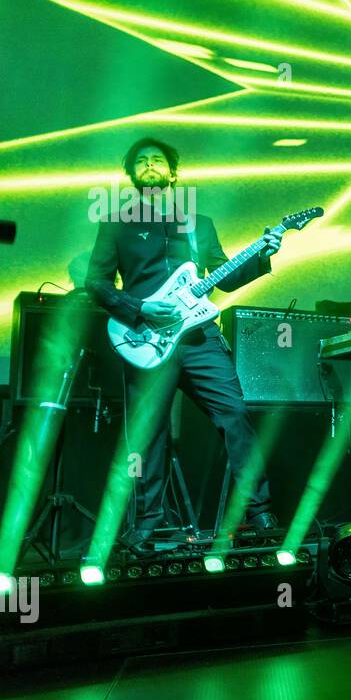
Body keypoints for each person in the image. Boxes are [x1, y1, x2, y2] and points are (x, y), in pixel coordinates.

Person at [85, 137, 282, 551]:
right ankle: (148, 524)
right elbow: (96, 283)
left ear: (173, 173)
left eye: (158, 159)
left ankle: (259, 510)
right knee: (149, 434)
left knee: (235, 414)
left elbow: (224, 277)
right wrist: (139, 308)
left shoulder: (199, 223)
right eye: (141, 161)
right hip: (144, 338)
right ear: (132, 174)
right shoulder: (116, 223)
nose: (150, 164)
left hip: (199, 339)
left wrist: (262, 256)